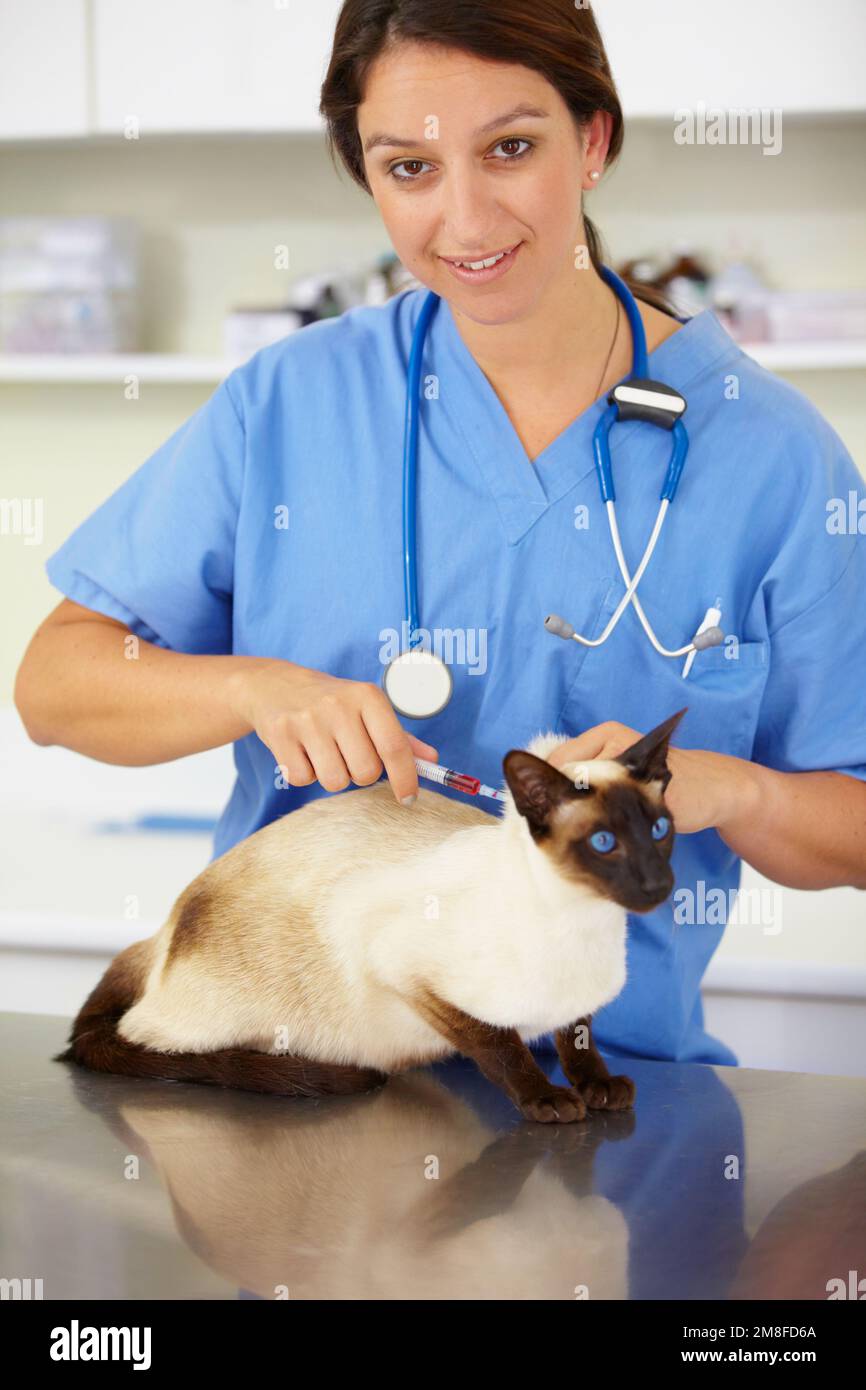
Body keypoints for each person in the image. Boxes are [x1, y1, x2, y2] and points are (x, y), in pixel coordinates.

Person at [15, 0, 866, 1069]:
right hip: (298, 1074)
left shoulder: (770, 455)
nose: (464, 220)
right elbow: (55, 682)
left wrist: (735, 788)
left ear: (592, 139)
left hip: (604, 1104)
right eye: (406, 168)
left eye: (509, 148)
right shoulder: (291, 402)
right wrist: (251, 689)